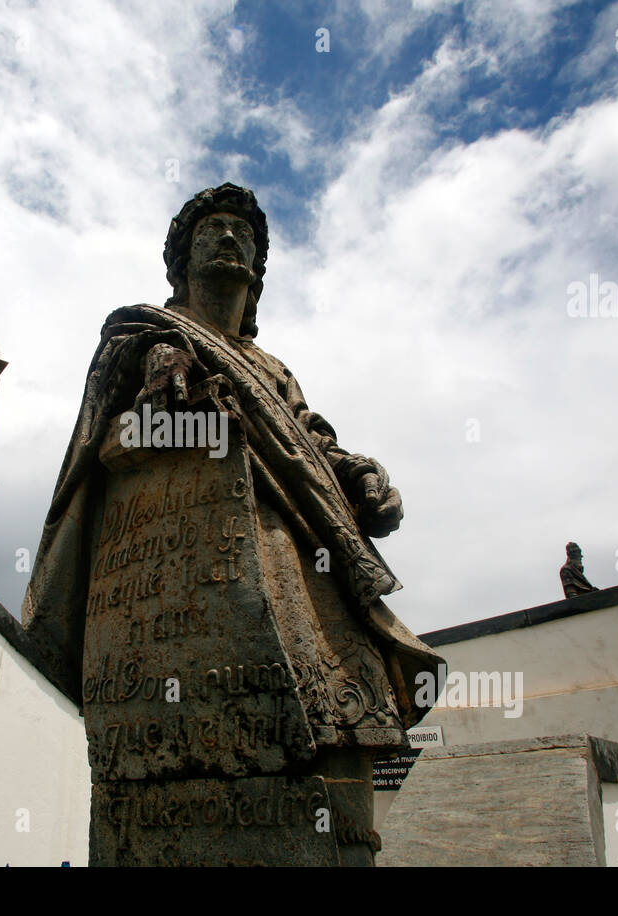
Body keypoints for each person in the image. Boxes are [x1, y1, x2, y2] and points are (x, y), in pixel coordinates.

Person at [23, 184, 442, 864]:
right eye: (211, 229)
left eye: (242, 232)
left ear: (258, 264)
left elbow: (310, 446)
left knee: (339, 736)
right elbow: (109, 445)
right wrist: (176, 406)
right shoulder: (141, 337)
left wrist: (359, 480)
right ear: (180, 260)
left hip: (301, 572)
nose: (228, 239)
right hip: (176, 579)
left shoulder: (273, 369)